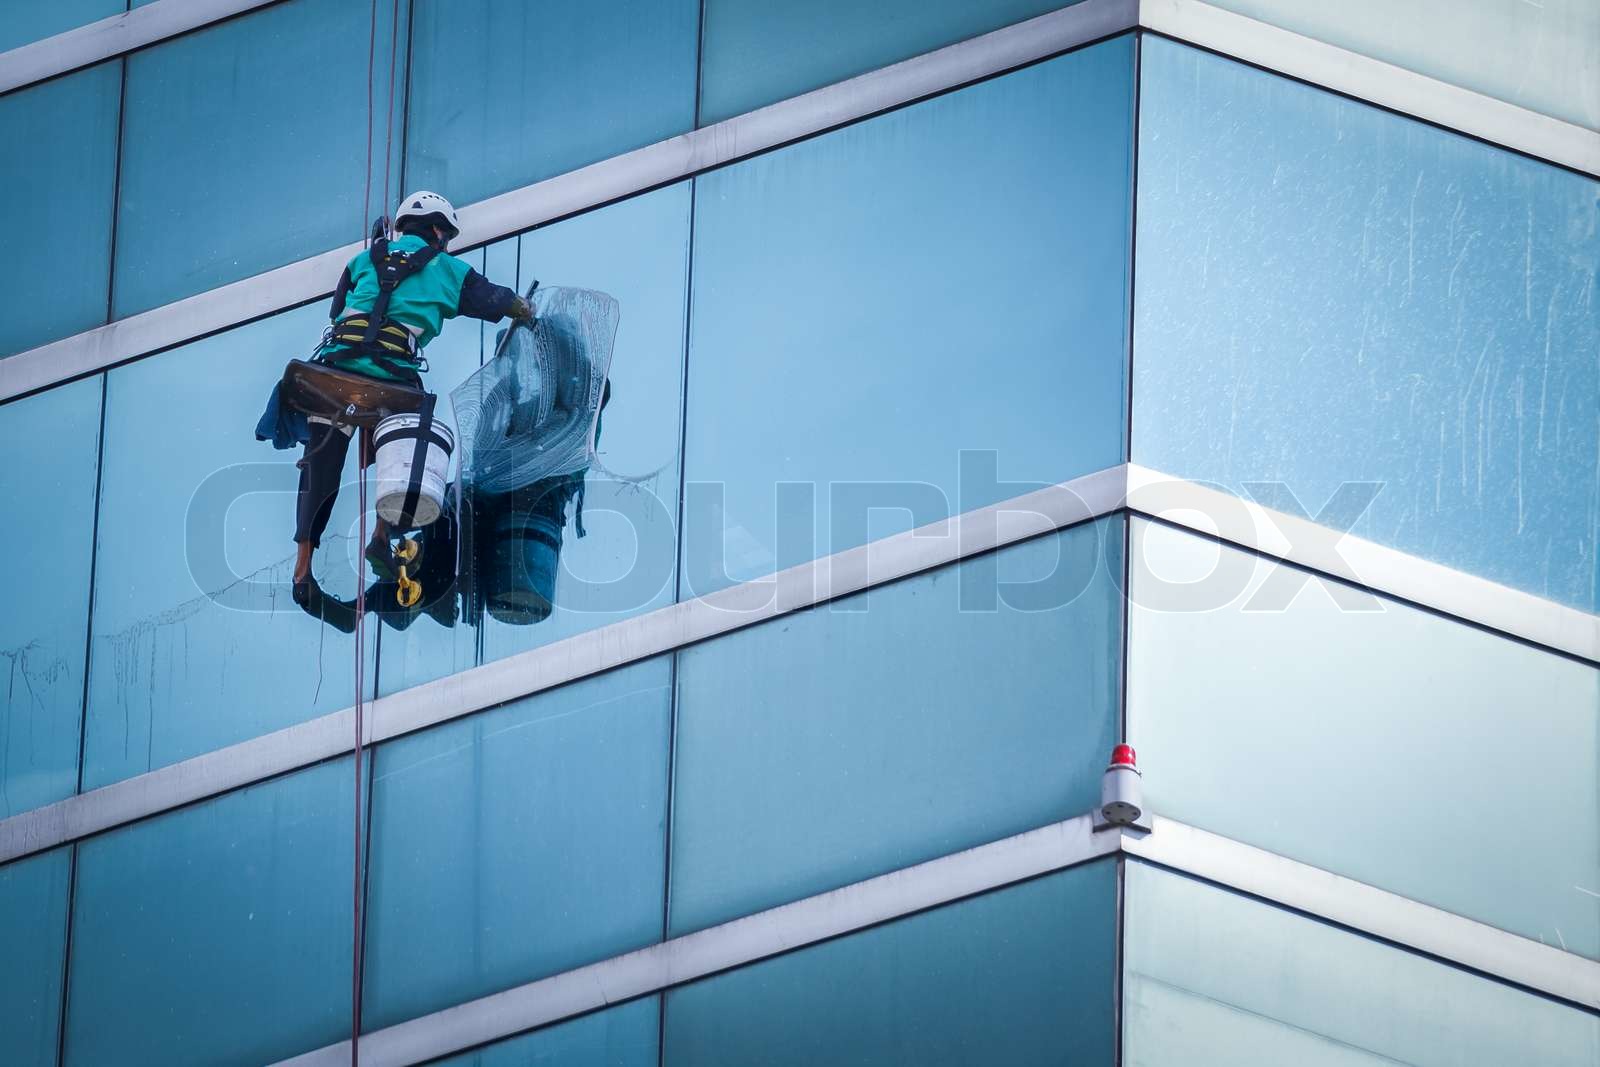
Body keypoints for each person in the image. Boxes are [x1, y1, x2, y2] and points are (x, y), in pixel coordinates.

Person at [279, 190, 533, 603]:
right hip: (392, 378)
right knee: (409, 435)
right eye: (444, 235)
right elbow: (496, 300)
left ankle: (302, 567)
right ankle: (382, 534)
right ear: (437, 230)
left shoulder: (363, 261)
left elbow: (337, 308)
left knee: (321, 459)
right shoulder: (448, 268)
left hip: (331, 372)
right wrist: (528, 310)